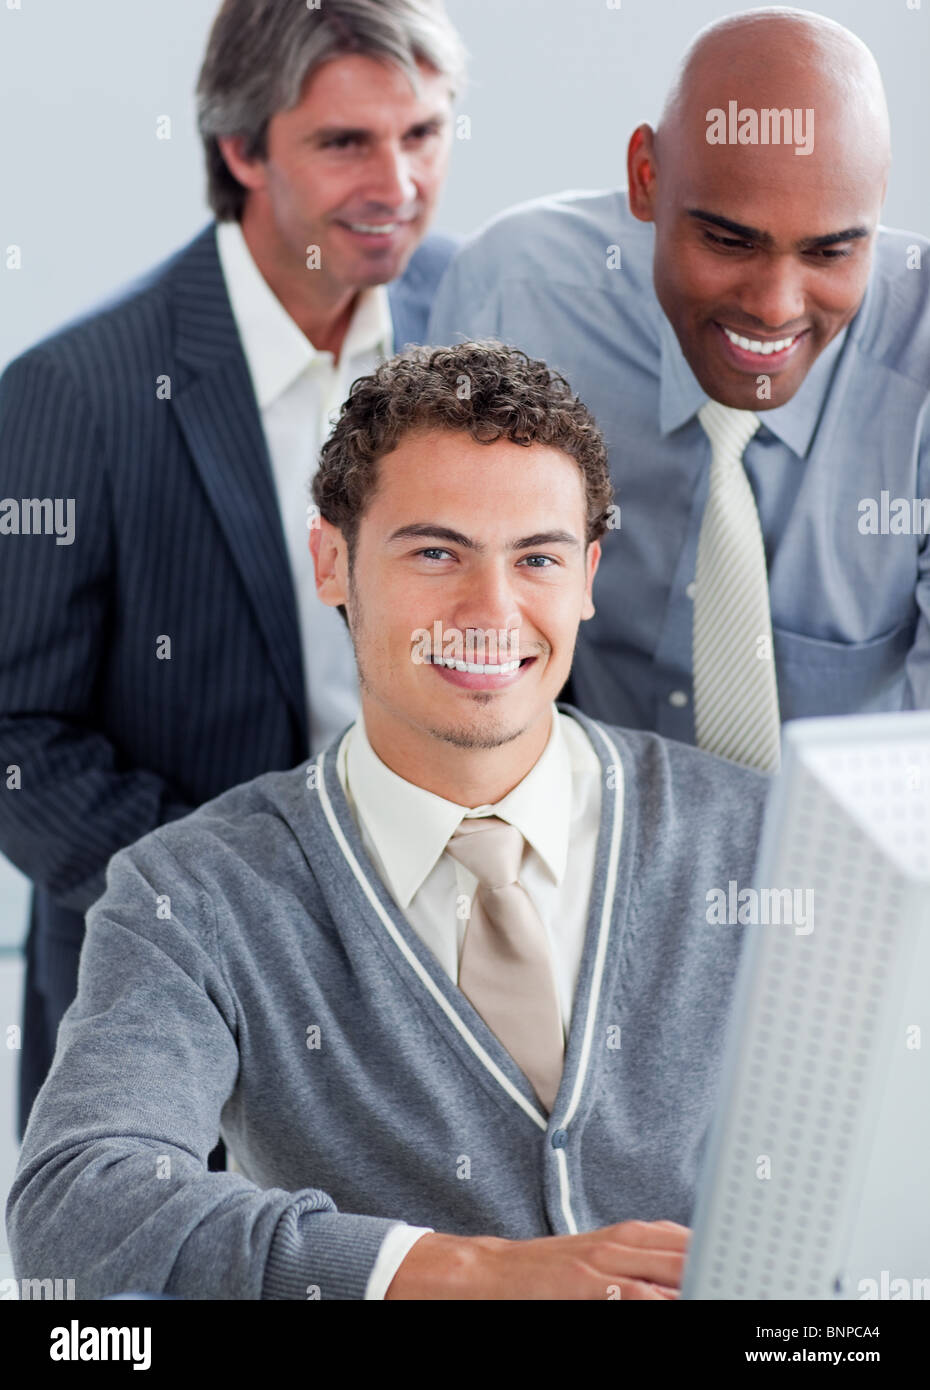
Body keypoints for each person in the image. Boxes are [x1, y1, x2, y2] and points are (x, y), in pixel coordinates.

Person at [7, 341, 769, 1300]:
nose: (491, 611)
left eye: (538, 557)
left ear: (588, 576)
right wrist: (465, 1273)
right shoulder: (192, 893)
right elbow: (80, 1207)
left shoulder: (759, 839)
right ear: (332, 560)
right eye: (436, 552)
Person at [0, 0, 466, 1144]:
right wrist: (246, 898)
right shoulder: (79, 393)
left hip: (459, 994)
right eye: (347, 142)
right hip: (175, 1010)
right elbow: (17, 733)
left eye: (423, 133)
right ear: (242, 149)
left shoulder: (481, 318)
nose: (399, 181)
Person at [428, 8, 930, 773]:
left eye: (832, 250)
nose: (775, 305)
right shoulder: (516, 300)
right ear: (645, 179)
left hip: (856, 862)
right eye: (729, 241)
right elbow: (437, 627)